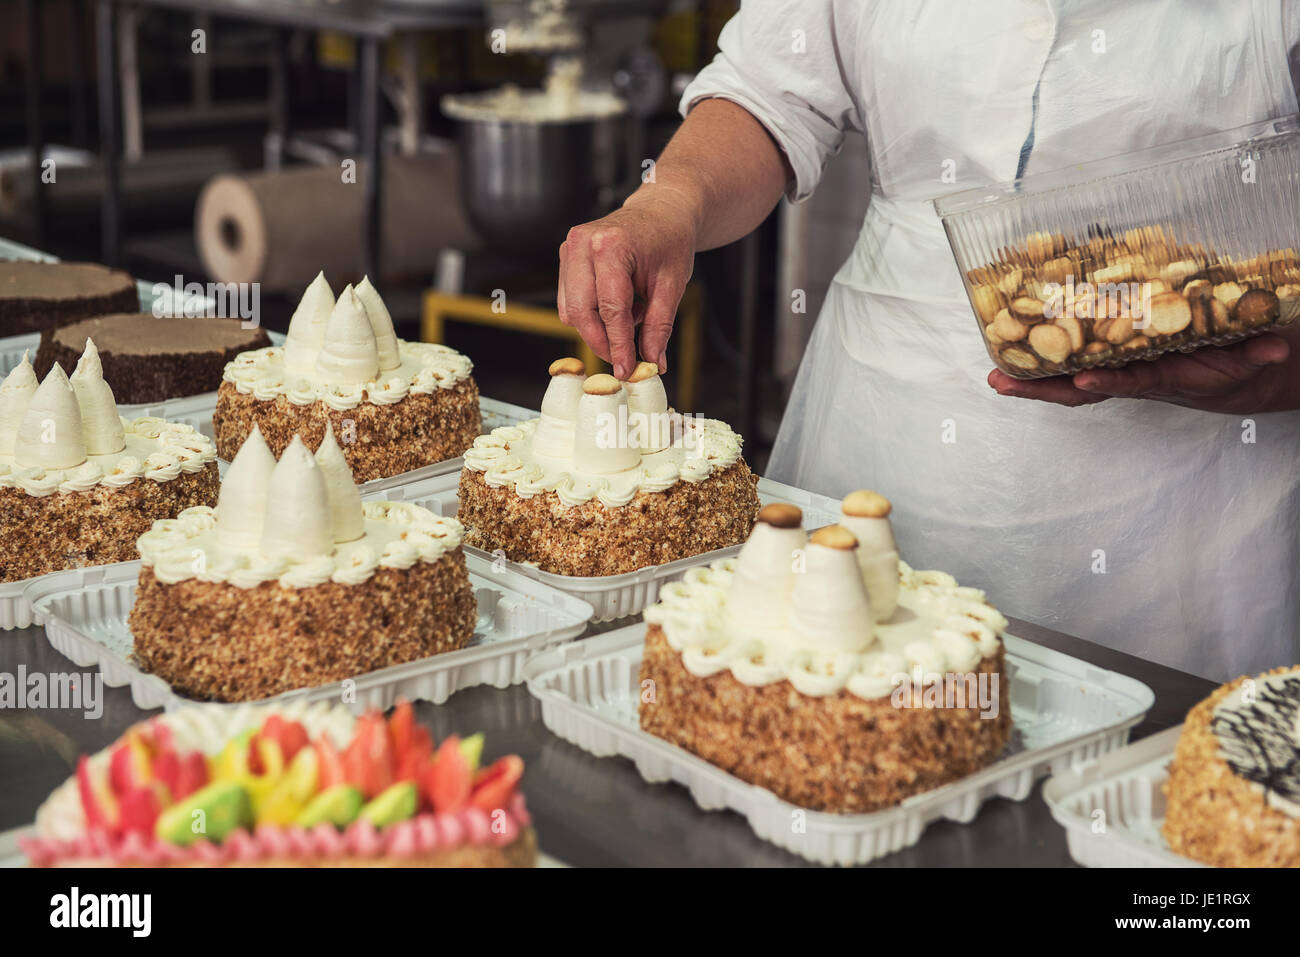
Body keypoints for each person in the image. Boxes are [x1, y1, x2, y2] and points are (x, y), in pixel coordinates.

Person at [556, 1, 1300, 680]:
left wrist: (1276, 376)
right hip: (892, 412)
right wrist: (671, 202)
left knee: (1144, 763)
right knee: (828, 709)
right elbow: (772, 88)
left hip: (1183, 504)